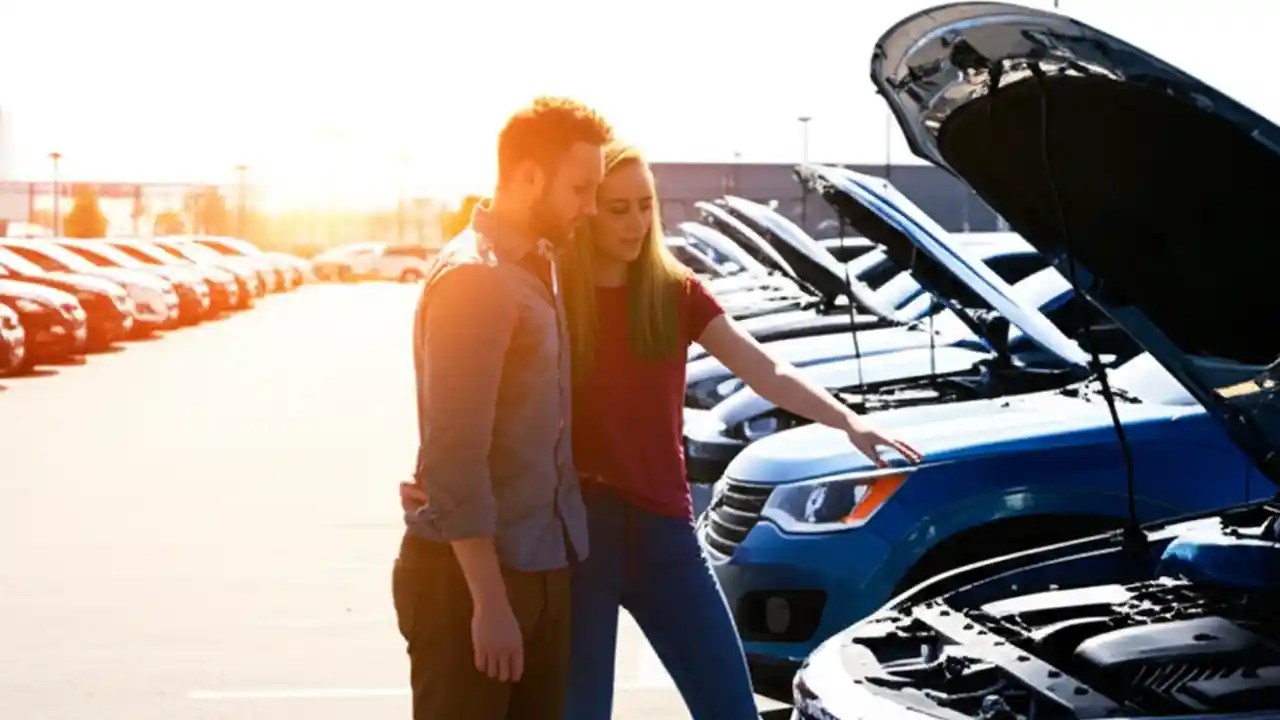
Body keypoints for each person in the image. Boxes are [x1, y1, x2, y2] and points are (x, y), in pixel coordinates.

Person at [403, 142, 923, 718]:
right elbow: (481, 407)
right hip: (580, 540)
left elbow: (764, 366)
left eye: (644, 205)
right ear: (588, 212)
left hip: (665, 535)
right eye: (616, 207)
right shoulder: (554, 292)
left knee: (730, 705)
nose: (635, 222)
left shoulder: (673, 290)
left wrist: (848, 421)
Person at [392, 96, 614, 720]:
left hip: (541, 565)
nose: (590, 208)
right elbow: (455, 455)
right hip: (473, 582)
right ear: (527, 177)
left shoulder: (538, 264)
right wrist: (488, 604)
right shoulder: (475, 278)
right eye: (581, 189)